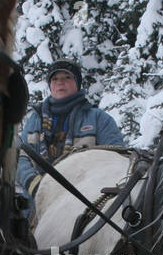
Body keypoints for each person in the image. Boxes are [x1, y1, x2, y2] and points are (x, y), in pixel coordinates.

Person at [16, 59, 124, 208]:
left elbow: (116, 158)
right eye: (55, 79)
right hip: (37, 203)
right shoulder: (34, 119)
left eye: (67, 77)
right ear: (50, 85)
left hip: (85, 204)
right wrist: (36, 186)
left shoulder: (99, 119)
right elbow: (21, 157)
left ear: (77, 83)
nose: (60, 82)